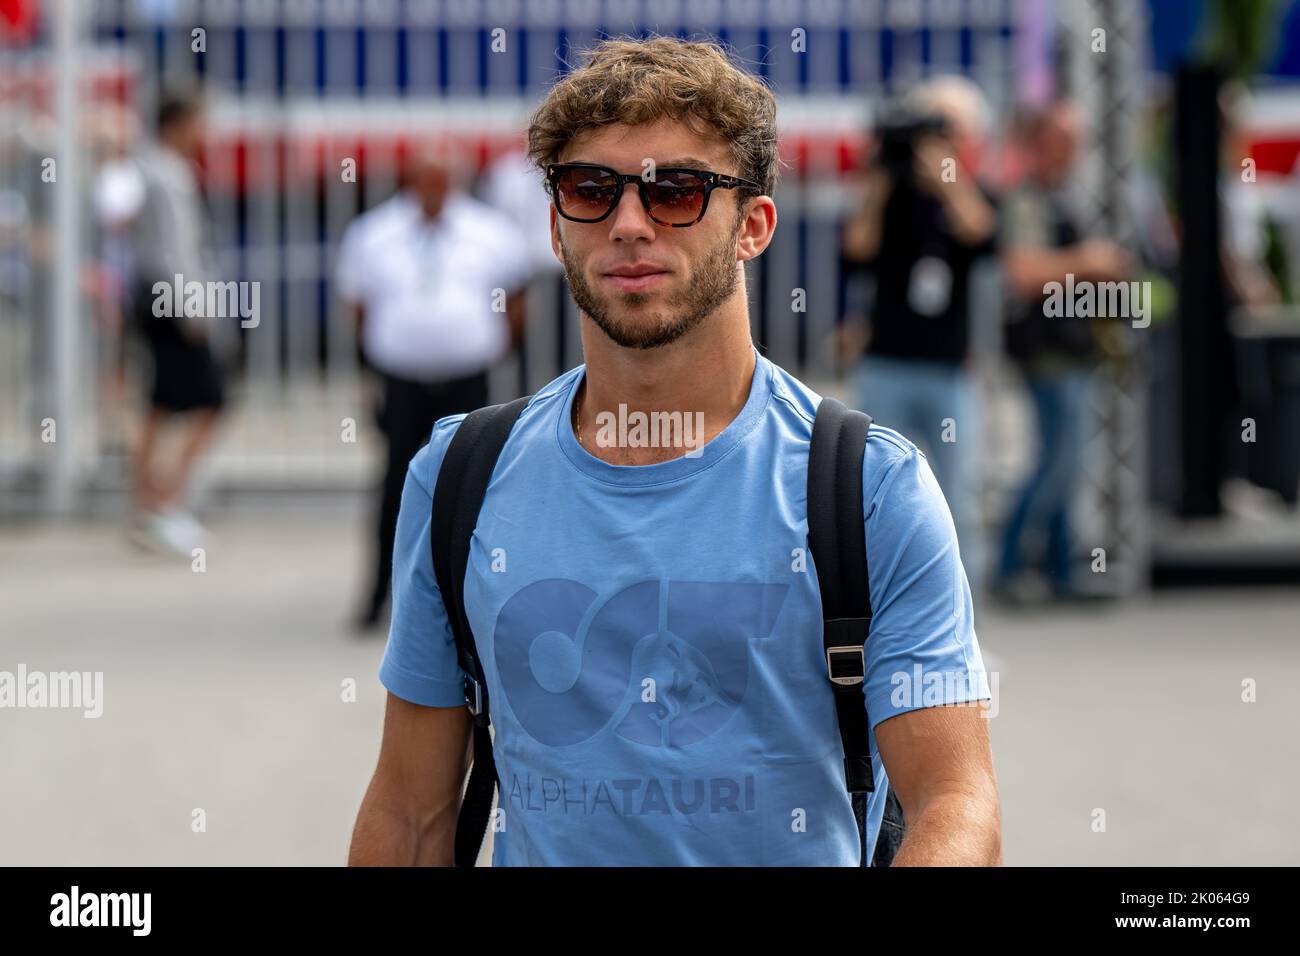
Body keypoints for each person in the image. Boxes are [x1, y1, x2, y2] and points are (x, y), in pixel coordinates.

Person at [350, 36, 999, 867]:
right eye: (592, 189)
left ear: (753, 226)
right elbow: (410, 814)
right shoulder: (459, 476)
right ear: (555, 226)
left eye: (677, 192)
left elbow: (954, 802)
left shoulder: (868, 488)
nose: (628, 224)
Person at [336, 147, 533, 631]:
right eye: (424, 179)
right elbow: (359, 305)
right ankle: (379, 595)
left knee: (476, 483)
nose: (433, 190)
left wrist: (489, 345)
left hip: (468, 378)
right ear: (410, 181)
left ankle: (472, 597)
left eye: (441, 180)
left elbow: (517, 297)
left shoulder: (489, 232)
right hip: (402, 380)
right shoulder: (374, 233)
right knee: (395, 485)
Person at [841, 76, 999, 592]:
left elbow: (983, 234)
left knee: (956, 493)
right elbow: (857, 252)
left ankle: (959, 606)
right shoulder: (889, 194)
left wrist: (947, 178)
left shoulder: (967, 193)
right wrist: (880, 180)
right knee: (880, 490)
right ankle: (884, 600)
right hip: (886, 363)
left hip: (949, 366)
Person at [995, 98, 1130, 603]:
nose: (1072, 152)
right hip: (1045, 354)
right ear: (1040, 144)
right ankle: (1011, 566)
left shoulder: (1060, 197)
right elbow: (1023, 272)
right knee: (1055, 463)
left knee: (1067, 464)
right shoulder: (1028, 200)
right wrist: (1089, 262)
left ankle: (1059, 569)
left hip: (1068, 352)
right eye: (1063, 141)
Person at [126, 91, 225, 557]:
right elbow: (175, 250)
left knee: (161, 404)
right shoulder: (169, 174)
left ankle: (150, 505)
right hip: (171, 301)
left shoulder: (149, 169)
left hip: (156, 298)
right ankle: (164, 504)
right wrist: (193, 308)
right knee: (207, 400)